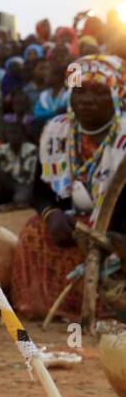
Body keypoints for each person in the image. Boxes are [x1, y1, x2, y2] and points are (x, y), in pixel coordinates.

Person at [11, 55, 126, 320]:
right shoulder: (56, 132)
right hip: (75, 226)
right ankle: (44, 304)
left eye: (98, 92)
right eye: (79, 91)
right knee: (33, 231)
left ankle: (107, 307)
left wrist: (109, 234)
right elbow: (40, 191)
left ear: (117, 94)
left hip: (117, 229)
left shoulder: (123, 135)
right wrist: (52, 215)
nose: (87, 100)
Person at [0, 119, 39, 209]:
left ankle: (11, 204)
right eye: (9, 133)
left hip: (24, 184)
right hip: (8, 182)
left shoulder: (31, 149)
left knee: (21, 199)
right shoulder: (2, 149)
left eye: (15, 133)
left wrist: (3, 173)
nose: (12, 136)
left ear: (22, 134)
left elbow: (26, 177)